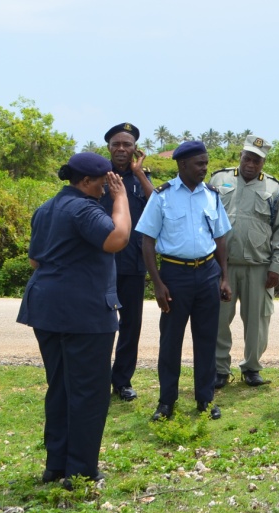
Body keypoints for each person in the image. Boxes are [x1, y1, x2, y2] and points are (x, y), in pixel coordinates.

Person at [17, 152, 132, 487]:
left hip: (46, 307)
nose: (105, 189)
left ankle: (56, 465)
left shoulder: (46, 208)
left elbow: (35, 260)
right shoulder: (84, 209)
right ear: (85, 181)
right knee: (89, 391)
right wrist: (121, 198)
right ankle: (80, 470)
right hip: (83, 312)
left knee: (61, 387)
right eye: (102, 183)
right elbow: (118, 239)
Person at [135, 141, 232, 422]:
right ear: (182, 164)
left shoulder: (211, 195)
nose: (204, 168)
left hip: (208, 273)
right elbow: (147, 242)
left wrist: (224, 277)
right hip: (174, 275)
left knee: (206, 340)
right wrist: (157, 283)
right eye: (199, 164)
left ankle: (205, 399)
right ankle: (166, 402)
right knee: (171, 341)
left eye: (206, 163)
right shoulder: (162, 196)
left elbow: (220, 237)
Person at [211, 135, 279, 388]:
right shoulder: (218, 180)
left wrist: (276, 266)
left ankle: (252, 368)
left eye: (257, 160)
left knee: (257, 322)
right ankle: (220, 370)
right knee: (218, 320)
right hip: (222, 266)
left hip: (259, 267)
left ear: (263, 162)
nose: (251, 164)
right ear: (240, 156)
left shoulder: (274, 189)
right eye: (247, 158)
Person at [99, 122, 154, 402]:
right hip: (100, 263)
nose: (121, 149)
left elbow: (157, 205)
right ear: (108, 148)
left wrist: (139, 173)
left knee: (131, 326)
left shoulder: (141, 178)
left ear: (135, 149)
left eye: (127, 144)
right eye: (116, 144)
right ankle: (97, 379)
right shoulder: (97, 175)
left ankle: (122, 381)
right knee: (99, 324)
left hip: (133, 263)